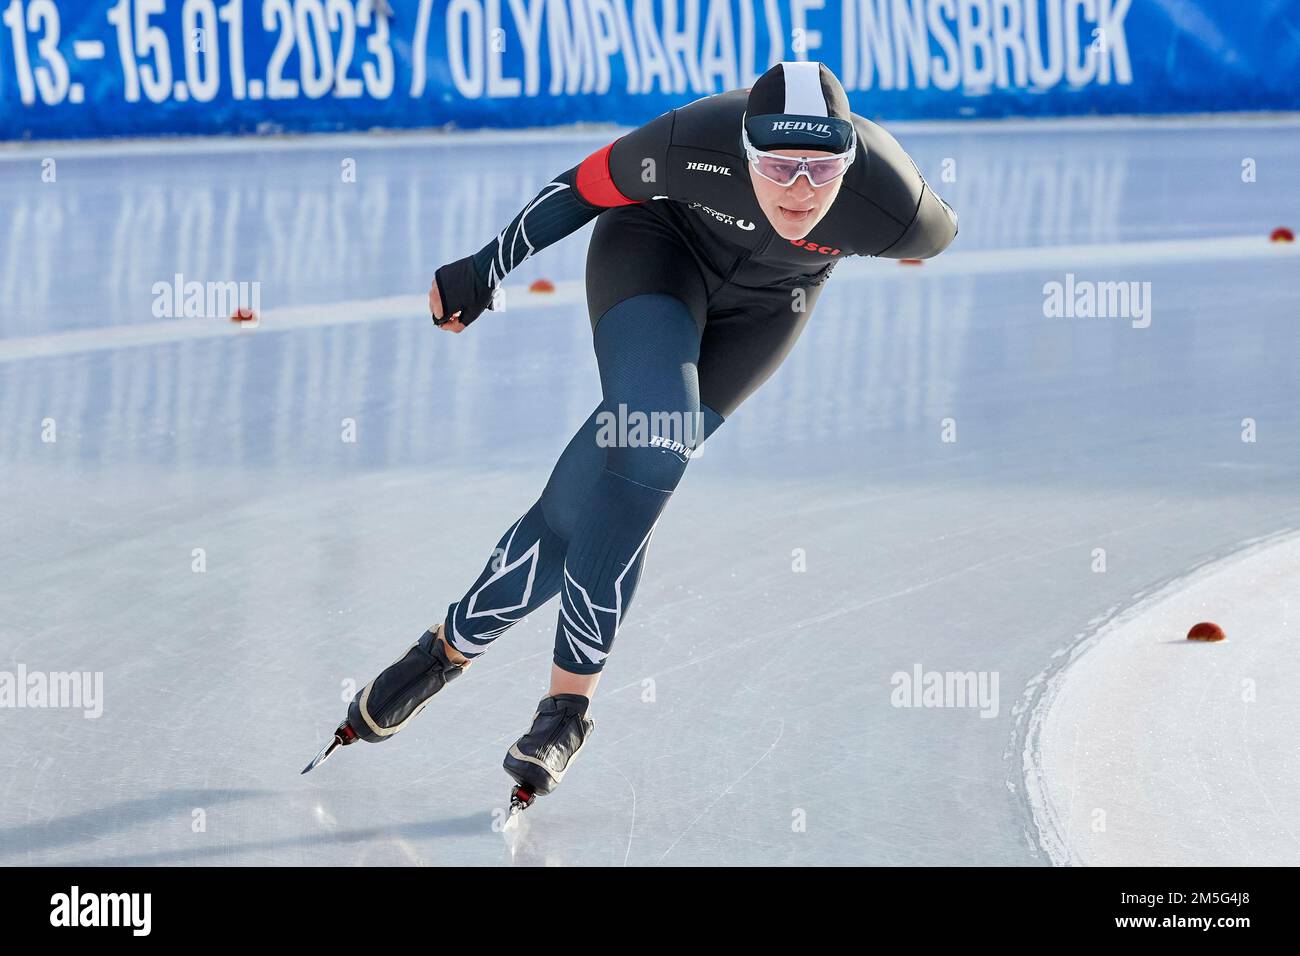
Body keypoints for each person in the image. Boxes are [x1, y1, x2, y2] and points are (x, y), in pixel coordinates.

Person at [316, 61, 957, 807]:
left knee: (602, 485)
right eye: (779, 166)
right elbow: (583, 188)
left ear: (852, 162)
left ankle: (445, 650)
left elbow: (933, 224)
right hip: (657, 254)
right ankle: (567, 712)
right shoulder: (694, 141)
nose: (801, 190)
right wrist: (485, 268)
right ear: (745, 150)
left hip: (768, 309)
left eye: (823, 170)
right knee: (653, 440)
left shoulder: (901, 208)